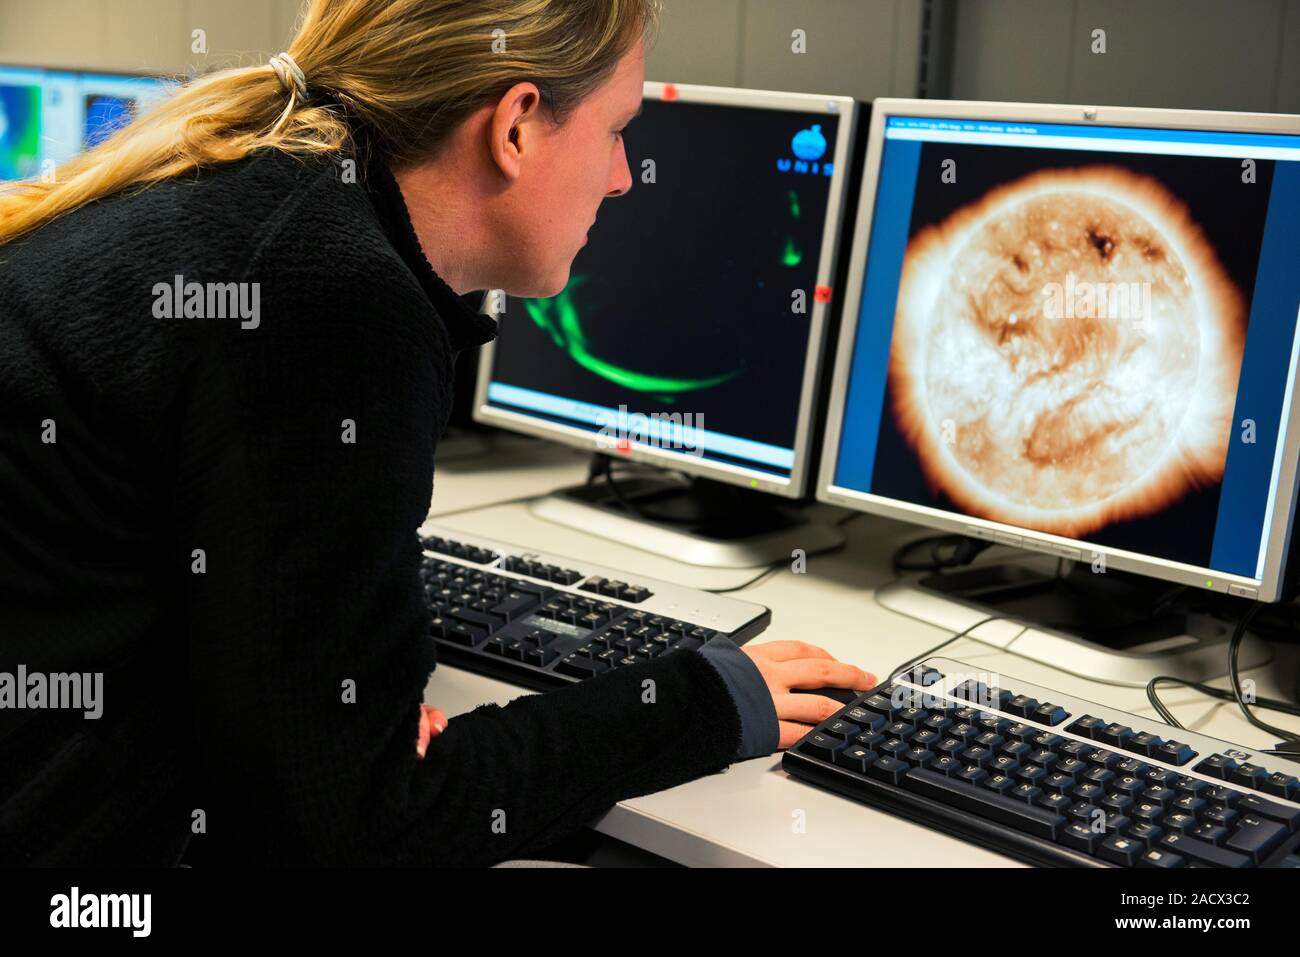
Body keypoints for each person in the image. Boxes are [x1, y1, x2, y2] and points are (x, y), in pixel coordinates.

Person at [0, 0, 874, 867]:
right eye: (616, 131)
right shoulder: (330, 298)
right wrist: (704, 702)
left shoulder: (250, 200)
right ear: (518, 127)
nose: (624, 176)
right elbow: (363, 828)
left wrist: (352, 704)